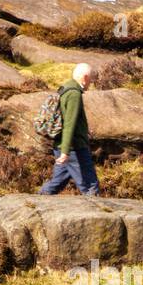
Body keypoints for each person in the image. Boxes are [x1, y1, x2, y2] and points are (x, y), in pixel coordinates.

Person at [40, 63, 100, 196]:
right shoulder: (74, 94)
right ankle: (99, 213)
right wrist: (65, 152)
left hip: (62, 147)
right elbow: (69, 124)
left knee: (57, 183)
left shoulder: (65, 88)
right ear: (85, 77)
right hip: (74, 149)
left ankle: (36, 201)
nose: (91, 83)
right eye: (91, 79)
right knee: (90, 185)